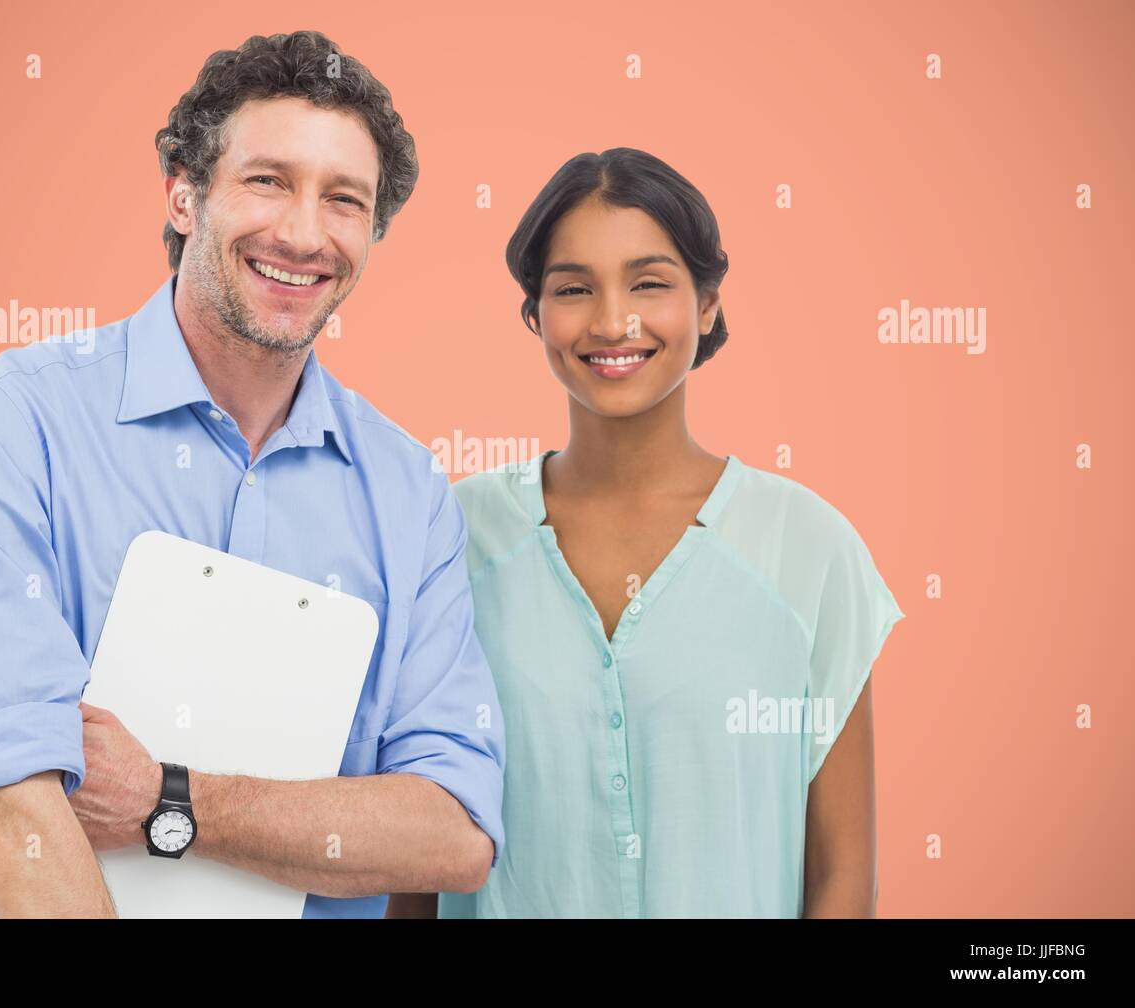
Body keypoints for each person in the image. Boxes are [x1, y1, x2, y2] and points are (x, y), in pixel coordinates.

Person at [0, 30, 503, 919]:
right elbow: (8, 797)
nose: (304, 233)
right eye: (268, 181)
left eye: (344, 199)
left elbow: (452, 833)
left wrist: (168, 801)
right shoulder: (3, 424)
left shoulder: (409, 491)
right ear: (184, 195)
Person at [387, 148, 904, 918]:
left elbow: (841, 876)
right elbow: (416, 867)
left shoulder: (809, 550)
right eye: (573, 289)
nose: (611, 320)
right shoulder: (453, 537)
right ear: (535, 316)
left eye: (649, 282)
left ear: (706, 304)